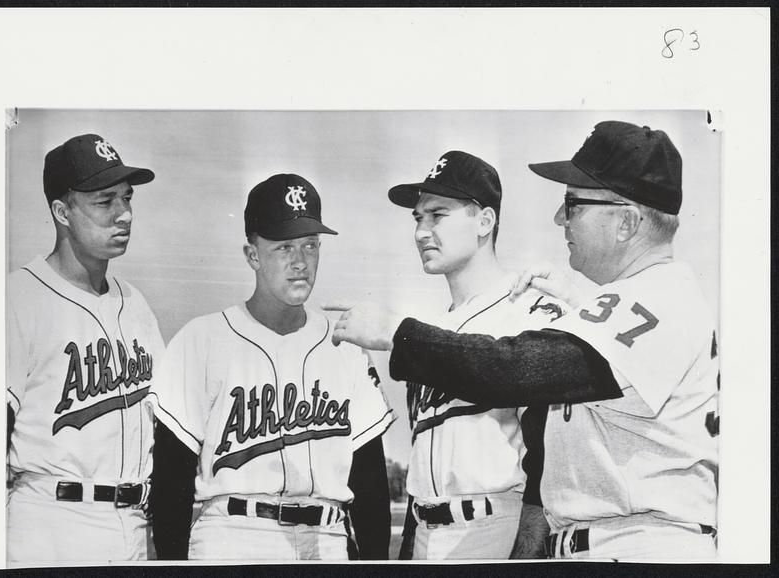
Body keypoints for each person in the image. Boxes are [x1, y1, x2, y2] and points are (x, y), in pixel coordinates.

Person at [325, 121, 719, 560]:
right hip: (600, 541)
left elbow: (512, 369)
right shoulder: (633, 300)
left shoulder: (663, 298)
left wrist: (398, 334)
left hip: (642, 544)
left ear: (626, 222)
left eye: (572, 205)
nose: (558, 218)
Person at [147, 173, 395, 561]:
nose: (300, 262)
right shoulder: (203, 339)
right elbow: (170, 479)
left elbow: (370, 483)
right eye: (283, 247)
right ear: (252, 255)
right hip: (233, 535)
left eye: (310, 246)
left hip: (327, 537)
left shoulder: (346, 344)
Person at [385, 150, 566, 559]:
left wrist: (526, 554)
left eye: (438, 215)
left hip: (494, 528)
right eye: (418, 218)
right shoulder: (431, 331)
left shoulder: (527, 310)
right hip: (427, 532)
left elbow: (548, 459)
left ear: (485, 221)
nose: (421, 231)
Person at [6, 134, 165, 564]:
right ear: (62, 212)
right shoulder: (16, 298)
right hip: (50, 524)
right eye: (104, 201)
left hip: (132, 526)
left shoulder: (135, 303)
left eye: (127, 198)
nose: (125, 214)